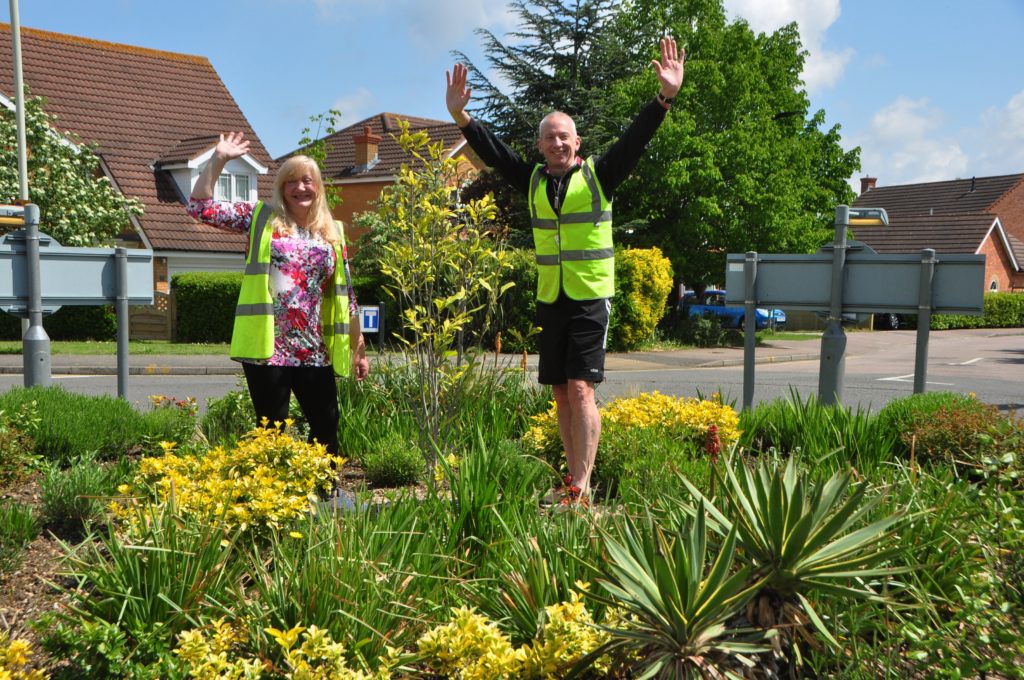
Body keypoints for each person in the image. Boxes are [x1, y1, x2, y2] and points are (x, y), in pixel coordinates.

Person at [445, 37, 684, 504]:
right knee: (559, 391)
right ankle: (573, 481)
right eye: (548, 137)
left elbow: (634, 141)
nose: (556, 142)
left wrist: (664, 99)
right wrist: (462, 117)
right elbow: (495, 153)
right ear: (539, 145)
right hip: (551, 297)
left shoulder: (599, 176)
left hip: (590, 297)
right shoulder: (533, 179)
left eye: (564, 136)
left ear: (577, 143)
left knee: (580, 388)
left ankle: (584, 486)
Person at [187, 131, 369, 465]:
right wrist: (219, 160)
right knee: (270, 432)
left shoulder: (334, 233)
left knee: (327, 427)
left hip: (315, 349)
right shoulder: (261, 218)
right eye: (291, 183)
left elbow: (347, 295)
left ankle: (323, 494)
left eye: (307, 181)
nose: (300, 188)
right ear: (282, 188)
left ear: (318, 188)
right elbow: (200, 208)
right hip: (268, 348)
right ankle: (271, 502)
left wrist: (358, 346)